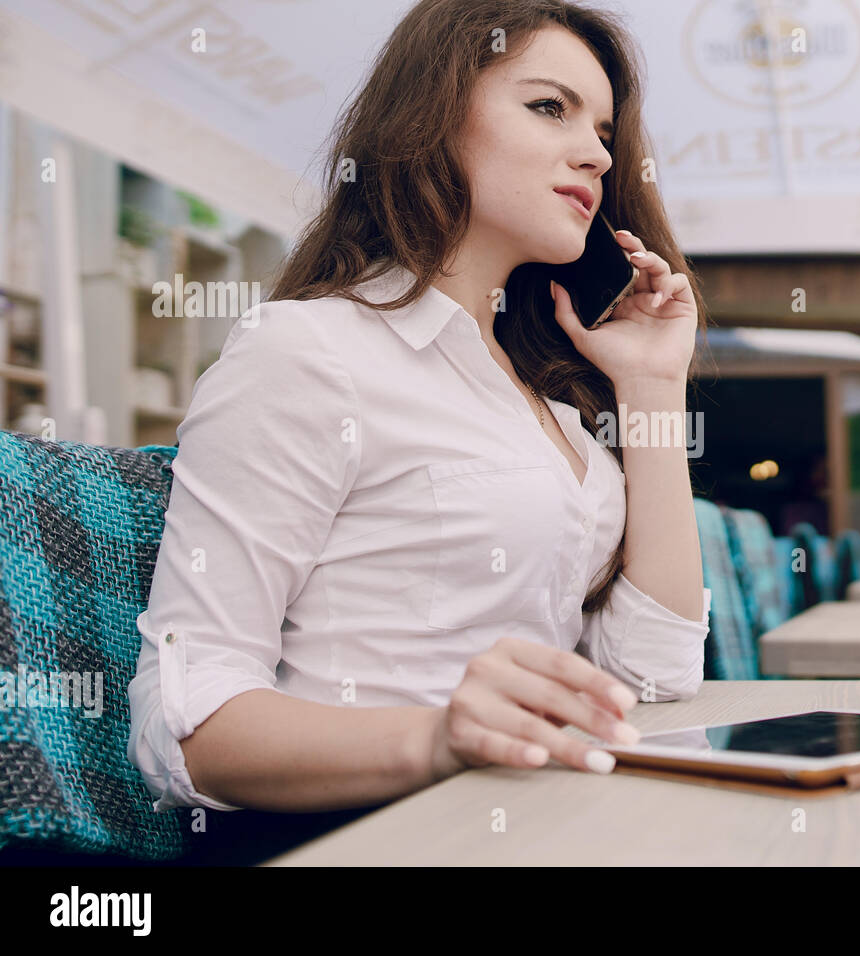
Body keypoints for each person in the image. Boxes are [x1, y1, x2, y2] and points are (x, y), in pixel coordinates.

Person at [127, 0, 712, 816]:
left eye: (606, 136)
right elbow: (184, 723)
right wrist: (439, 740)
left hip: (542, 825)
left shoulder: (554, 411)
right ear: (433, 117)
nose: (595, 157)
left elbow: (655, 675)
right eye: (551, 108)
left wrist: (652, 389)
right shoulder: (307, 351)